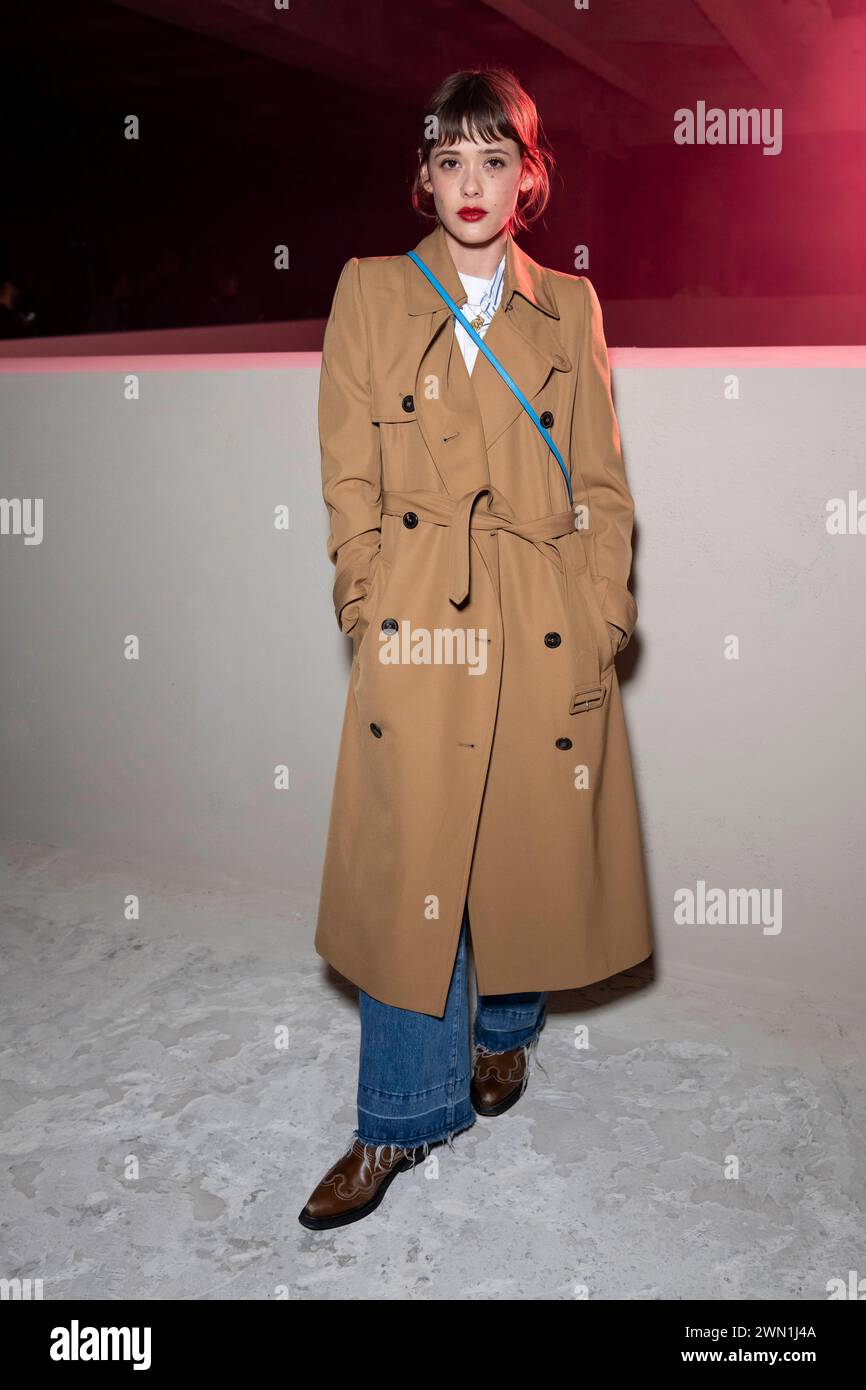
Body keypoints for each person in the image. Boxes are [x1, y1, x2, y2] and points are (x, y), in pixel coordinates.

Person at [299, 67, 652, 1231]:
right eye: (448, 159)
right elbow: (348, 475)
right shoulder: (368, 291)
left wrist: (600, 613)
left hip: (539, 606)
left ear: (526, 179)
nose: (469, 183)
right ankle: (394, 1118)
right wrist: (366, 599)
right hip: (419, 608)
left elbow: (600, 481)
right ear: (423, 173)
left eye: (493, 160)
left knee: (526, 833)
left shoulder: (569, 306)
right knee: (415, 860)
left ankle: (504, 1029)